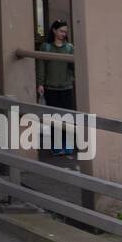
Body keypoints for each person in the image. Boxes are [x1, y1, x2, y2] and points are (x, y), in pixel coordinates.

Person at [36, 20, 75, 156]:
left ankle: (68, 145)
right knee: (54, 118)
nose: (63, 34)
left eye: (65, 32)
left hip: (66, 87)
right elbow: (41, 66)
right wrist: (40, 83)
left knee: (68, 118)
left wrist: (71, 78)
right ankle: (56, 146)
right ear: (54, 30)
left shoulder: (70, 48)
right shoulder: (45, 47)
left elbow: (73, 68)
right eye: (61, 31)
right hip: (50, 87)